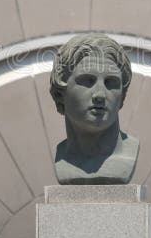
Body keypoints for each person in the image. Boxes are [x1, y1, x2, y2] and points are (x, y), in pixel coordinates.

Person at [49, 33, 139, 184]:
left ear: (122, 97)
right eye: (87, 81)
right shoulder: (62, 160)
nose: (100, 95)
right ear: (60, 93)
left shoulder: (128, 157)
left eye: (111, 83)